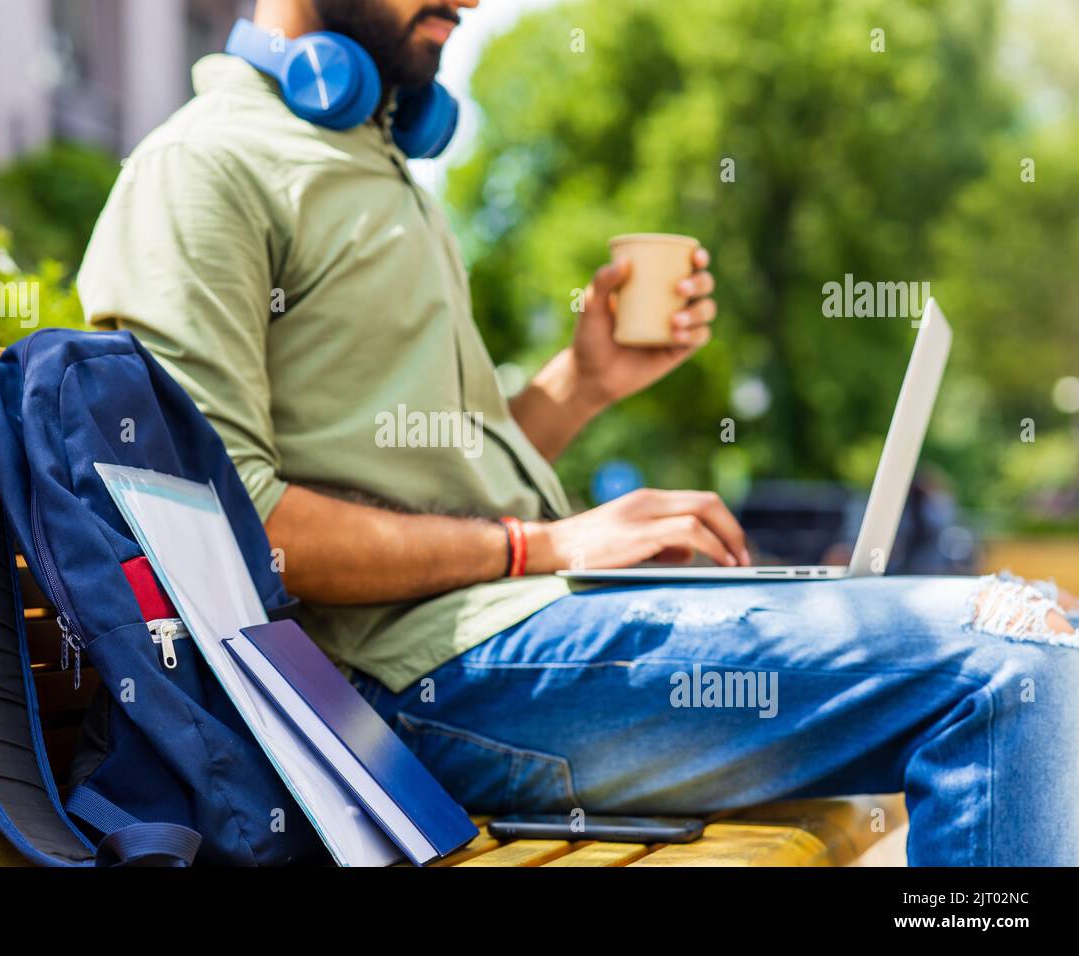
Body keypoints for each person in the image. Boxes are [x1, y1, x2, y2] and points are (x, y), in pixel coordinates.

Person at [78, 0, 1079, 865]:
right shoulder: (200, 168)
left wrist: (581, 382)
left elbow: (434, 478)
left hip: (500, 644)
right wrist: (542, 544)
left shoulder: (376, 166)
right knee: (1007, 655)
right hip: (394, 692)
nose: (471, 0)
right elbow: (227, 533)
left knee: (1031, 623)